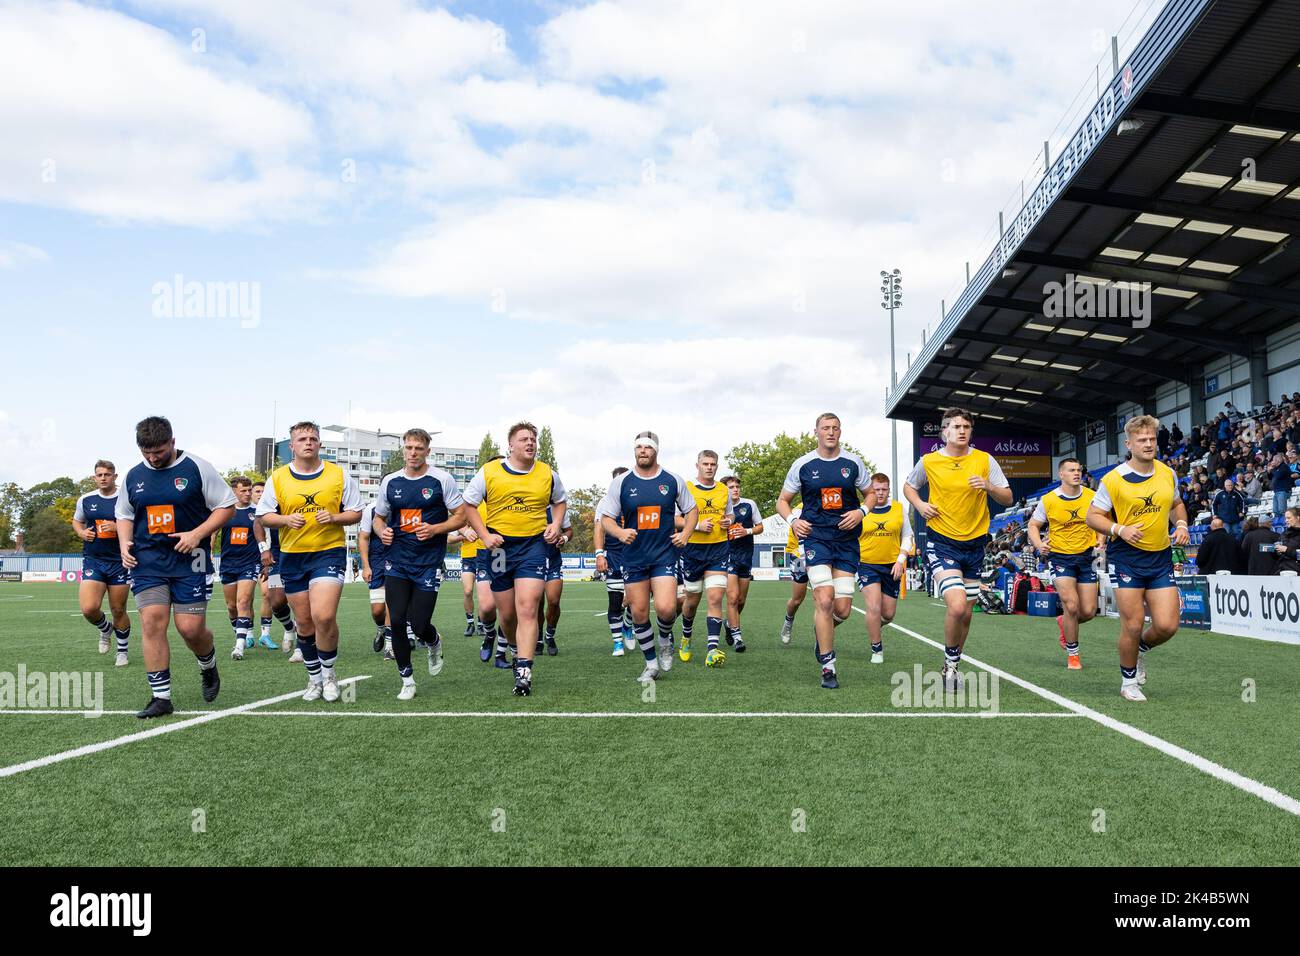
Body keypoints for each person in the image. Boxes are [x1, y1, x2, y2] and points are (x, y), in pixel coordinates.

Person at [115, 416, 236, 718]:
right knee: (153, 621)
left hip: (190, 560)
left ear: (172, 442)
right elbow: (124, 514)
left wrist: (198, 533)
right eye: (147, 453)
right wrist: (124, 544)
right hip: (148, 561)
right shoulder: (133, 476)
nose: (153, 458)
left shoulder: (196, 468)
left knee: (190, 629)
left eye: (159, 451)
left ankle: (207, 665)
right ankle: (161, 698)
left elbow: (227, 506)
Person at [903, 407, 1013, 692]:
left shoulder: (985, 460)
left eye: (966, 426)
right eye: (955, 426)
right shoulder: (929, 461)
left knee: (966, 611)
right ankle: (950, 667)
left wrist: (989, 486)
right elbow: (909, 487)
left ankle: (951, 663)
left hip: (975, 545)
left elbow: (1008, 496)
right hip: (942, 542)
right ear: (944, 432)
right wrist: (920, 505)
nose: (961, 431)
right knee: (955, 604)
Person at [256, 421, 363, 703]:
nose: (308, 442)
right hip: (292, 556)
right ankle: (314, 679)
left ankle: (329, 676)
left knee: (324, 616)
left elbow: (356, 513)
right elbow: (264, 515)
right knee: (304, 623)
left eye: (313, 438)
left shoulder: (338, 475)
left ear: (320, 444)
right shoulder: (278, 478)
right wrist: (284, 520)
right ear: (291, 446)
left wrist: (336, 517)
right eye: (302, 439)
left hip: (329, 552)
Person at [1086, 415, 1191, 702]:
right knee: (1132, 625)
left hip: (1160, 558)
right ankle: (1128, 682)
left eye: (1151, 439)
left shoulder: (1168, 474)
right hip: (1127, 557)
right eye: (1141, 440)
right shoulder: (1113, 479)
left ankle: (1140, 650)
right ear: (1128, 443)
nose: (1148, 444)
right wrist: (1119, 528)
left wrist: (1181, 524)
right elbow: (1092, 516)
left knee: (1168, 626)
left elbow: (1177, 505)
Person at [462, 422, 566, 697]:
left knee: (529, 607)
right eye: (523, 439)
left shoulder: (547, 473)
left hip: (534, 546)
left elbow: (561, 501)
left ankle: (524, 671)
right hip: (499, 548)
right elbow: (468, 506)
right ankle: (513, 646)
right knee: (507, 615)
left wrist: (555, 524)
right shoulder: (490, 472)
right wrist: (484, 536)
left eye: (533, 439)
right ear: (510, 445)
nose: (530, 443)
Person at [775, 412, 872, 690]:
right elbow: (783, 501)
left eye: (835, 428)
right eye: (825, 428)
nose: (830, 432)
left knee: (842, 609)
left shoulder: (853, 463)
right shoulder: (803, 464)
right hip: (816, 539)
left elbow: (871, 494)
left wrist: (861, 511)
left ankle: (822, 632)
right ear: (815, 432)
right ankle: (828, 667)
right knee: (824, 599)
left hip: (846, 541)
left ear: (841, 432)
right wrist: (794, 521)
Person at [372, 428, 465, 700]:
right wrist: (382, 531)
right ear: (403, 449)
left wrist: (436, 529)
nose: (413, 453)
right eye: (409, 447)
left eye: (418, 448)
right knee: (398, 621)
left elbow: (460, 516)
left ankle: (434, 642)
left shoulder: (441, 480)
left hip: (428, 562)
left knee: (420, 623)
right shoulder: (390, 481)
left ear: (427, 451)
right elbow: (379, 518)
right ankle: (407, 679)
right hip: (397, 561)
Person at [597, 431, 697, 684]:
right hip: (633, 558)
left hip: (664, 555)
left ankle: (665, 640)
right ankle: (651, 664)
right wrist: (619, 532)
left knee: (665, 608)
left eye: (648, 447)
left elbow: (692, 510)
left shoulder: (672, 480)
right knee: (639, 613)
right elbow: (605, 518)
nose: (643, 451)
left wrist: (685, 533)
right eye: (639, 447)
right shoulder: (621, 482)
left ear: (656, 451)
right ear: (634, 451)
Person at [1027, 458, 1103, 670]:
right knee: (1071, 605)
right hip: (1060, 557)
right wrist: (1039, 543)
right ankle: (1073, 654)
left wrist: (1101, 540)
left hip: (1087, 556)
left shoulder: (1092, 496)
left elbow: (1101, 519)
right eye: (1071, 470)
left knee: (1088, 611)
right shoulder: (1049, 500)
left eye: (1079, 470)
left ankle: (1064, 623)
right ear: (1061, 474)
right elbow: (1033, 525)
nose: (1076, 473)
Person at [679, 450, 736, 666]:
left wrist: (729, 521)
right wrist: (697, 525)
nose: (709, 467)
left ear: (717, 466)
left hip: (718, 549)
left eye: (713, 464)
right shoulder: (687, 488)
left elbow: (730, 513)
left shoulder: (723, 490)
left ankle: (712, 649)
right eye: (705, 463)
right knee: (691, 601)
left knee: (715, 598)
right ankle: (686, 637)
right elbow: (675, 518)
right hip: (692, 550)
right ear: (697, 466)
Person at [72, 460, 131, 666]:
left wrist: (119, 528)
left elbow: (139, 524)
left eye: (107, 474)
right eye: (100, 474)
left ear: (115, 476)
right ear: (94, 477)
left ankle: (122, 651)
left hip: (119, 561)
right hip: (94, 560)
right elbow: (77, 520)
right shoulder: (86, 499)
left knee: (118, 610)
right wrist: (81, 532)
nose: (103, 478)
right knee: (89, 608)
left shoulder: (126, 497)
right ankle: (105, 629)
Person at [856, 473, 912, 665]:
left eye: (884, 489)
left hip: (892, 566)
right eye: (876, 489)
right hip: (867, 564)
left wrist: (900, 560)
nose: (880, 493)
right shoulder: (861, 510)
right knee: (873, 607)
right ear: (870, 490)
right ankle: (877, 649)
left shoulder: (898, 508)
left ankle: (873, 626)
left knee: (887, 615)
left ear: (888, 490)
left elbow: (907, 535)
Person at [217, 476, 263, 660]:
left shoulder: (257, 512)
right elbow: (213, 535)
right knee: (231, 607)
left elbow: (263, 536)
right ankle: (241, 634)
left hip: (250, 564)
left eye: (249, 490)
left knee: (243, 602)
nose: (248, 493)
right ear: (234, 491)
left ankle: (239, 646)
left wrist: (265, 555)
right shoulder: (225, 512)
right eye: (243, 490)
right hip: (228, 564)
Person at [250, 481, 298, 655]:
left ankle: (301, 647)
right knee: (276, 601)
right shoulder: (274, 498)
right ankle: (289, 628)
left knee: (301, 601)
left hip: (304, 552)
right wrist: (265, 550)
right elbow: (258, 523)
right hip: (278, 555)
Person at [594, 466, 634, 656]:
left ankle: (627, 624)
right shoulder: (605, 502)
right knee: (615, 601)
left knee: (637, 599)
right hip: (615, 556)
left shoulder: (637, 497)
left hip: (636, 554)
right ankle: (618, 642)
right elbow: (599, 529)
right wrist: (599, 554)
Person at [722, 475, 763, 651]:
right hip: (727, 555)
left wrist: (746, 531)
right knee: (732, 597)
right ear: (724, 490)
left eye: (737, 486)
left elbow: (760, 527)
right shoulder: (720, 507)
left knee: (741, 600)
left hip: (746, 556)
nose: (735, 489)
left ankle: (729, 623)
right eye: (731, 487)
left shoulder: (749, 504)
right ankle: (737, 636)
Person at [535, 505, 572, 656]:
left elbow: (569, 530)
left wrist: (564, 538)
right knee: (537, 603)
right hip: (533, 562)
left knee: (554, 601)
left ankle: (550, 635)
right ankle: (537, 638)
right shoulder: (529, 506)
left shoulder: (558, 508)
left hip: (553, 562)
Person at [358, 500, 393, 659]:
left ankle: (390, 646)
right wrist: (366, 566)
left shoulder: (405, 504)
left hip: (398, 560)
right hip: (376, 562)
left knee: (392, 603)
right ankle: (381, 629)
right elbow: (364, 537)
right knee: (378, 610)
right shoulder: (370, 509)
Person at [780, 512, 808, 645]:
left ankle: (822, 634)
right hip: (800, 557)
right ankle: (788, 621)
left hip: (823, 555)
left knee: (823, 597)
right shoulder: (797, 511)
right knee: (797, 600)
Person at [1274, 507, 1300, 573]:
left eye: (1289, 518)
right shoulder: (1283, 534)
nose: (1286, 521)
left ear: (1298, 517)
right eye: (1285, 518)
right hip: (1281, 571)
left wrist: (1286, 550)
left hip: (1296, 573)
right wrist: (1275, 551)